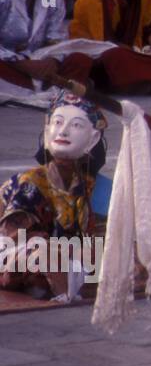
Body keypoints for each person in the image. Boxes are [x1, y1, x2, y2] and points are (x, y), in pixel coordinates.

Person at [0, 93, 107, 299]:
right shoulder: (30, 183)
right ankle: (64, 298)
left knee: (123, 253)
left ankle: (74, 286)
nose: (64, 131)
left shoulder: (85, 185)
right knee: (46, 253)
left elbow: (96, 236)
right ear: (47, 130)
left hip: (66, 256)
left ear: (93, 139)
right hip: (16, 256)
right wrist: (68, 251)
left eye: (76, 125)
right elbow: (14, 240)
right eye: (58, 122)